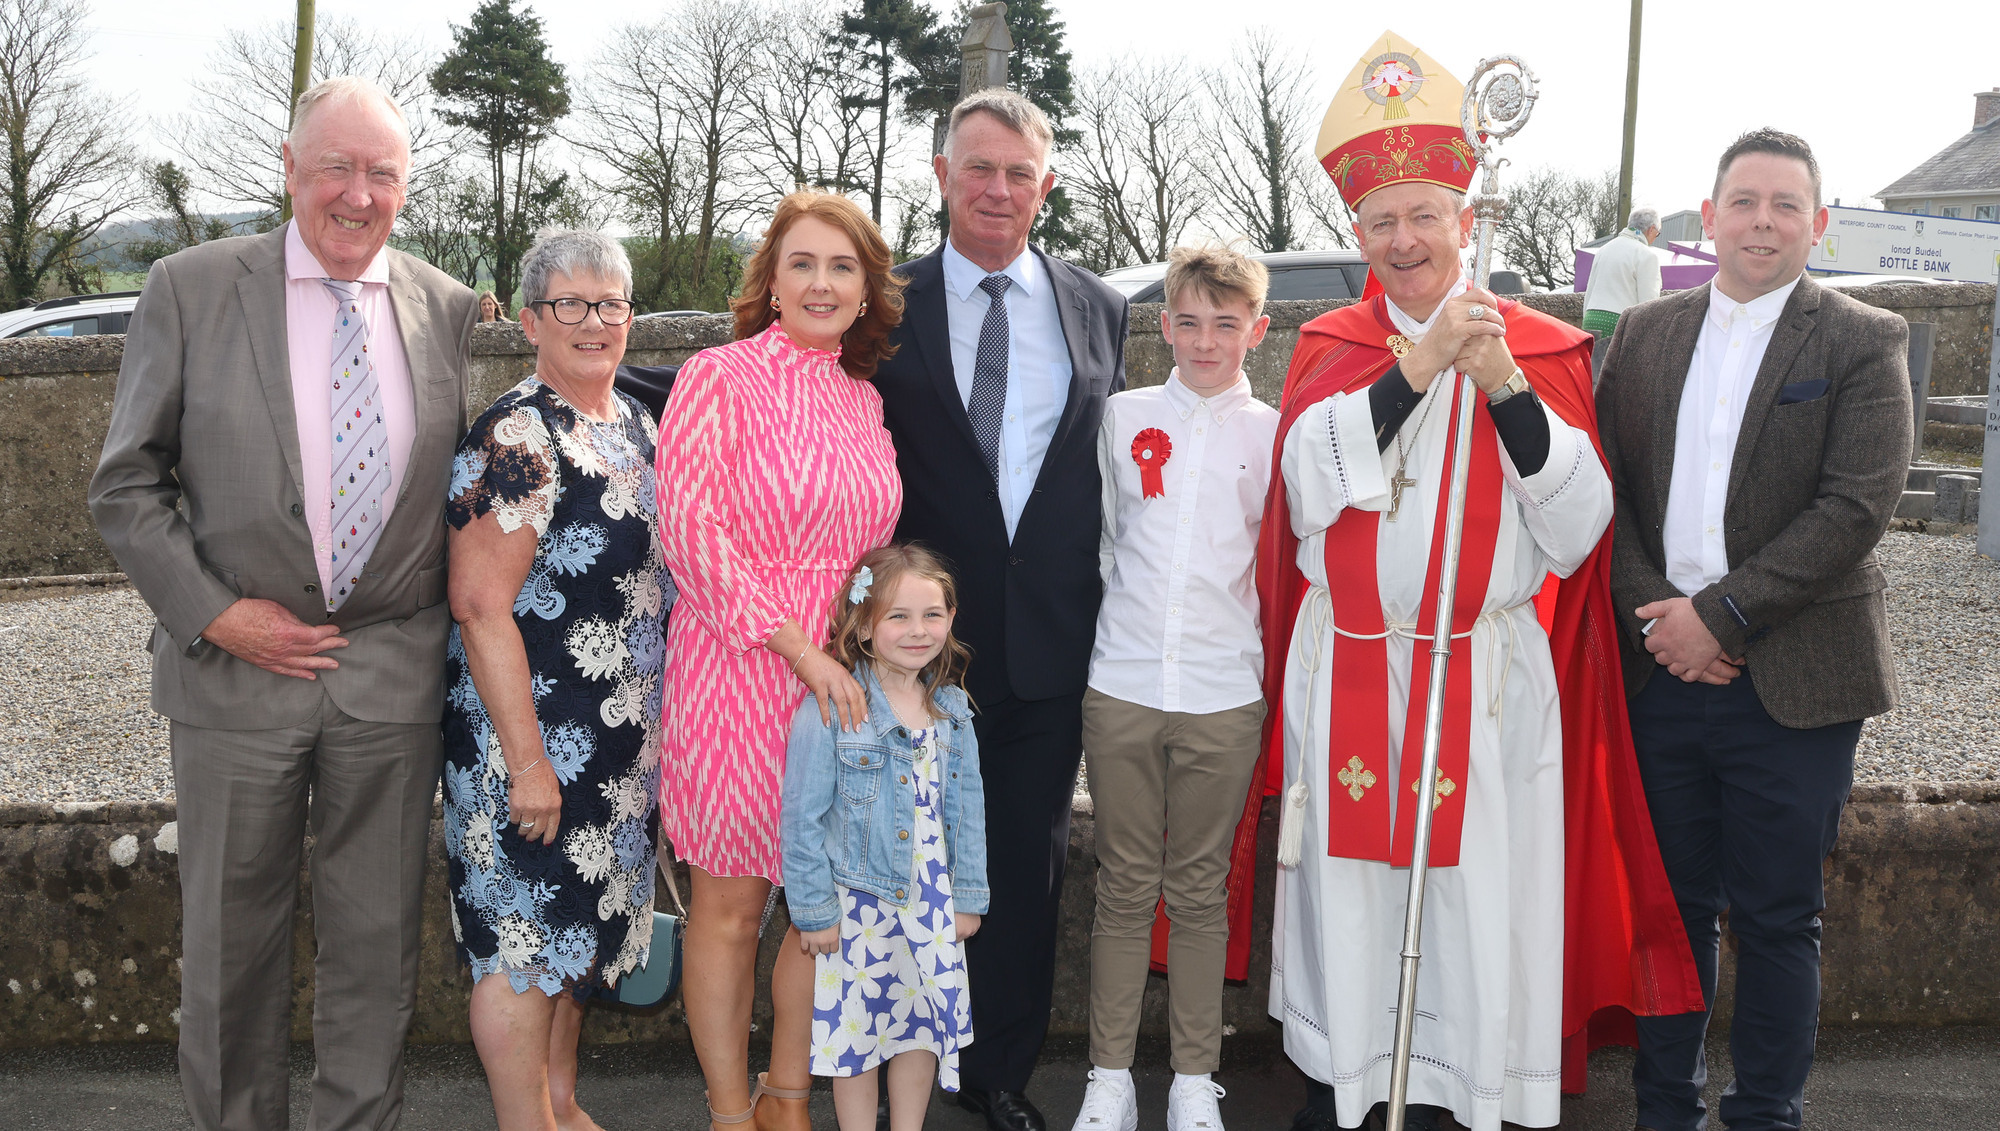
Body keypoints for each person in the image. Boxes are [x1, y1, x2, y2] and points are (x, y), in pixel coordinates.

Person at [1258, 32, 1702, 1131]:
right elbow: (1304, 490)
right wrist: (1416, 367)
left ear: (1464, 220)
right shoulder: (1329, 346)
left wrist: (1501, 382)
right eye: (1381, 221)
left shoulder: (1540, 351)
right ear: (1357, 233)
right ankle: (1347, 1086)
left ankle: (1461, 1095)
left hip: (1483, 678)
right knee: (1349, 894)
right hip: (1352, 663)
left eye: (1424, 215)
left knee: (1471, 896)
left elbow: (1579, 529)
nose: (1404, 240)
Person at [86, 76, 478, 1130]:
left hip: (389, 677)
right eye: (335, 168)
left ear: (406, 185)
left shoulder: (445, 306)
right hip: (233, 675)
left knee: (377, 949)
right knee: (228, 948)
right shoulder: (190, 286)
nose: (358, 194)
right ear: (291, 170)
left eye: (381, 173)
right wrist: (216, 614)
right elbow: (125, 485)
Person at [1597, 129, 1911, 1131]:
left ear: (1817, 226)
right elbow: (1603, 493)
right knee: (1668, 910)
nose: (1762, 222)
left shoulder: (1863, 339)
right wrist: (1662, 620)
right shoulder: (1641, 334)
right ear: (1710, 217)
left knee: (1778, 918)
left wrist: (1718, 618)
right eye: (1744, 201)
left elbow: (1853, 508)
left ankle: (1765, 1114)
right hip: (1658, 672)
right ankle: (1663, 1110)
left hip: (1796, 682)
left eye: (1785, 205)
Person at [871, 86, 1129, 1131]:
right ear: (941, 175)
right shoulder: (881, 303)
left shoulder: (1098, 306)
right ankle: (893, 1062)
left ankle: (997, 1074)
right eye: (978, 167)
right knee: (898, 862)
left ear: (1045, 187)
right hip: (918, 649)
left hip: (1048, 646)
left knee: (1026, 867)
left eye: (1019, 173)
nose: (997, 188)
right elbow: (780, 376)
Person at [656, 189, 906, 1131]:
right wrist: (799, 648)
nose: (821, 283)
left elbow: (869, 556)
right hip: (737, 666)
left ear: (866, 290)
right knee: (729, 909)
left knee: (822, 905)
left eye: (842, 267)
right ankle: (730, 1112)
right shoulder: (717, 377)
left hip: (839, 684)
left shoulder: (863, 400)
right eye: (802, 263)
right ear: (771, 280)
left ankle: (786, 1096)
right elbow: (690, 531)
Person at [442, 227, 669, 1130]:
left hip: (615, 748)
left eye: (610, 303)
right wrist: (530, 762)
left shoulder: (636, 424)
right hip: (530, 743)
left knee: (576, 938)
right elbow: (478, 605)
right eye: (569, 303)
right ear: (531, 321)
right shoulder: (518, 433)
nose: (593, 321)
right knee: (521, 948)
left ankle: (561, 1104)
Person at [1069, 246, 1277, 1131]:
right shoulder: (1123, 417)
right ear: (1164, 326)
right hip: (1122, 683)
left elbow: (1272, 561)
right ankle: (1108, 1078)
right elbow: (1106, 538)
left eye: (1225, 324)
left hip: (1224, 692)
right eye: (1188, 322)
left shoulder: (1273, 433)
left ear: (1255, 331)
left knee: (1197, 889)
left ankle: (1195, 1079)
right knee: (1122, 885)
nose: (1205, 340)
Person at [782, 544, 990, 1131]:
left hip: (932, 903)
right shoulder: (832, 709)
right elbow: (802, 817)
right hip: (858, 907)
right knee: (856, 1035)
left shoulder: (952, 710)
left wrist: (968, 897)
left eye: (932, 615)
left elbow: (969, 810)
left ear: (950, 620)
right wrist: (814, 911)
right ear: (865, 626)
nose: (918, 630)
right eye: (899, 616)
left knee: (921, 1027)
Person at [1582, 207, 1664, 382]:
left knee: (1593, 381)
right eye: (1657, 234)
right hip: (1619, 322)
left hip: (1591, 319)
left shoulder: (1604, 250)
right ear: (1651, 229)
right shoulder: (1646, 255)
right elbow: (1649, 304)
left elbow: (1589, 290)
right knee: (1618, 383)